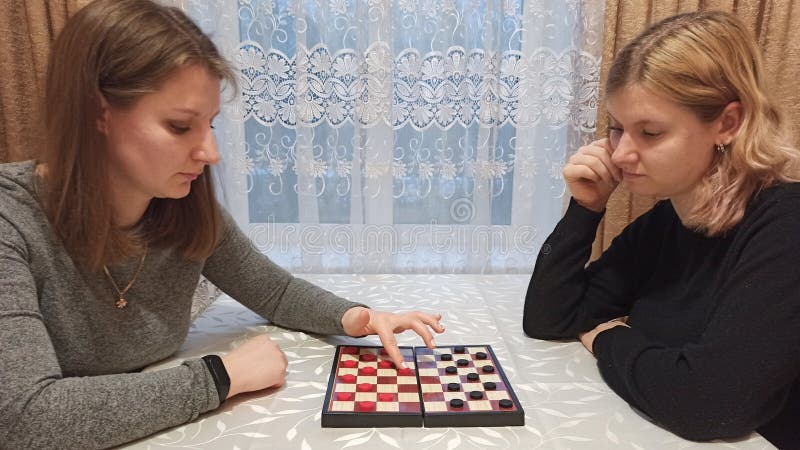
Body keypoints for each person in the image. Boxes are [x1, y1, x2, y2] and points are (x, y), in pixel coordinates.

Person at [0, 1, 444, 448]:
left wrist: (358, 318)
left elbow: (273, 291)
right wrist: (221, 376)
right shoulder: (12, 219)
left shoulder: (180, 205)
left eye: (210, 125)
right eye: (179, 126)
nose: (210, 153)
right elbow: (22, 417)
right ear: (97, 112)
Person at [523, 10, 800, 448]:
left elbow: (710, 405)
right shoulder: (670, 218)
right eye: (616, 129)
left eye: (650, 133)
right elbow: (551, 319)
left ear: (727, 124)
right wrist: (585, 209)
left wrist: (610, 339)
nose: (620, 155)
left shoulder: (785, 226)